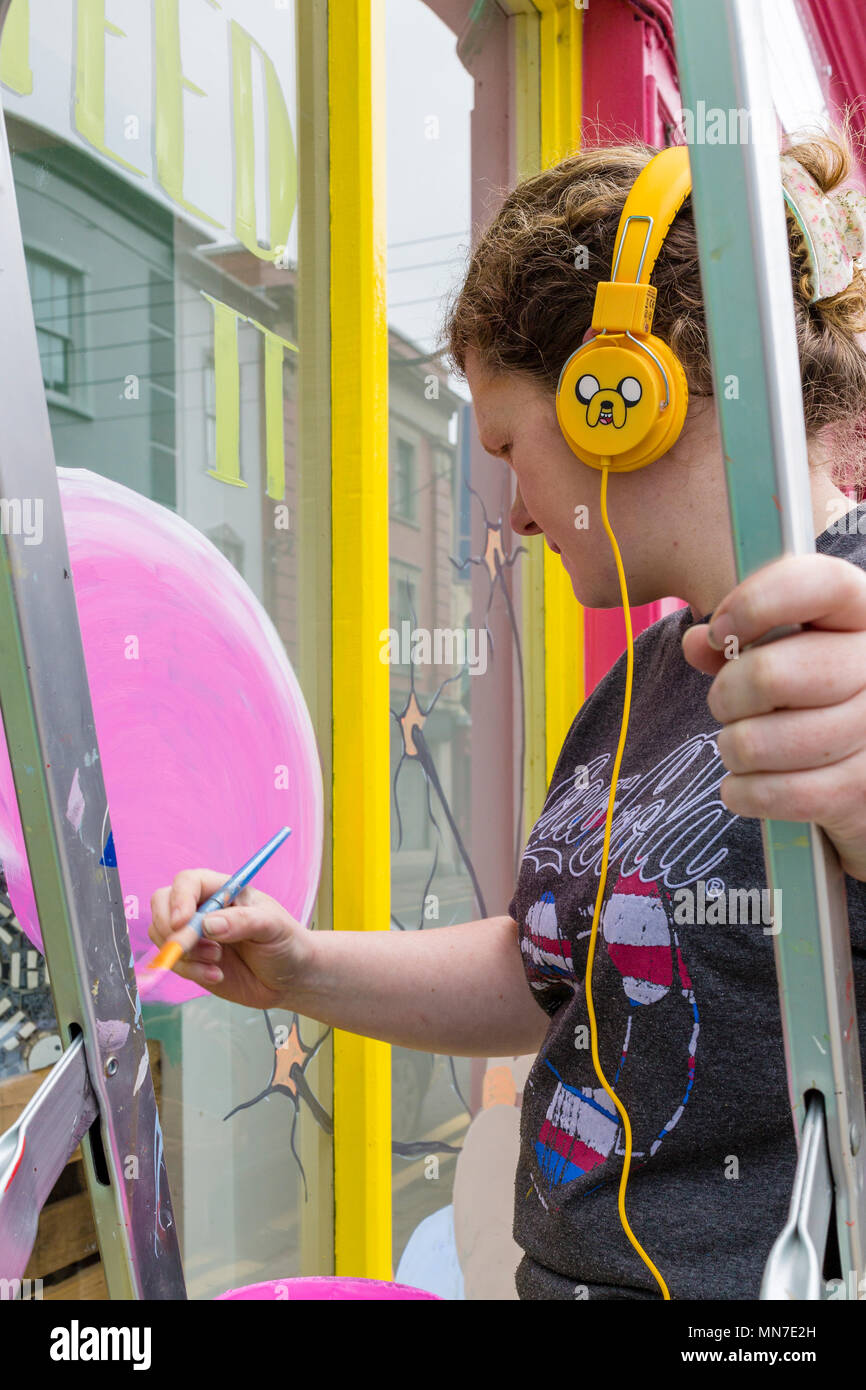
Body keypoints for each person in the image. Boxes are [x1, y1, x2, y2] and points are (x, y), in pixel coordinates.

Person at [150, 126, 866, 1300]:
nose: (516, 513)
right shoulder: (638, 686)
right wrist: (297, 967)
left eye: (503, 444)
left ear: (616, 399)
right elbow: (545, 976)